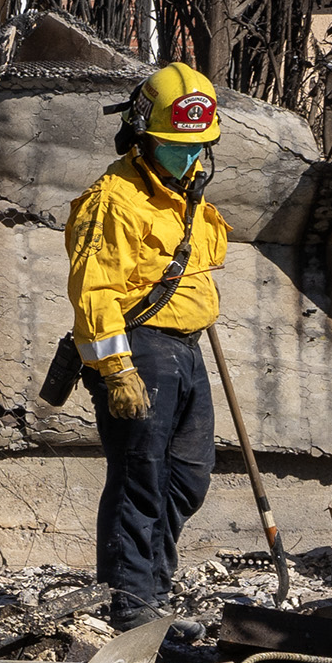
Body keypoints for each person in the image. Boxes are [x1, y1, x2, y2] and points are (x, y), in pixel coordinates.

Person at [66, 62, 232, 630]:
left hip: (186, 349)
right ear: (141, 135)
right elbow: (92, 291)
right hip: (141, 351)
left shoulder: (188, 197)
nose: (188, 159)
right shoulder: (113, 200)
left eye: (198, 148)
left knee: (187, 476)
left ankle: (151, 593)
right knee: (140, 479)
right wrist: (117, 371)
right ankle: (130, 604)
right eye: (175, 147)